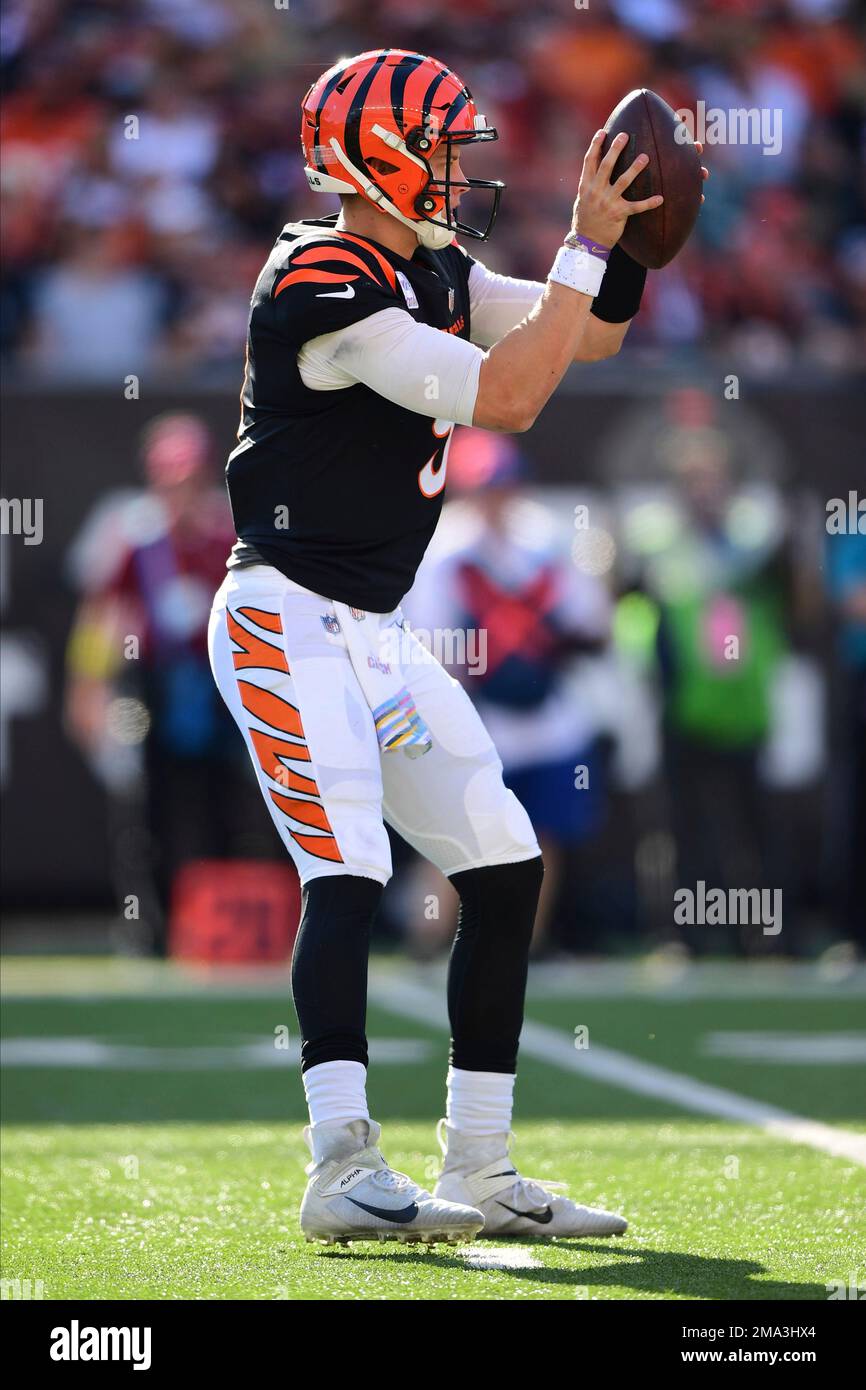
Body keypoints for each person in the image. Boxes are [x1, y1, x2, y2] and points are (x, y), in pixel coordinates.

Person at [208, 48, 708, 1245]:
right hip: (281, 617)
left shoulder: (423, 263)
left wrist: (621, 247)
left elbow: (570, 337)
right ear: (375, 152)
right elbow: (510, 397)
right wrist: (587, 252)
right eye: (436, 145)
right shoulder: (317, 279)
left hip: (370, 632)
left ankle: (478, 1166)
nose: (454, 170)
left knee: (501, 863)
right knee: (346, 869)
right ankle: (340, 1163)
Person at [405, 427, 612, 958]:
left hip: (544, 711)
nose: (498, 499)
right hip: (475, 711)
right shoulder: (443, 551)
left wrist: (538, 639)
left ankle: (529, 941)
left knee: (545, 831)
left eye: (506, 486)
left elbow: (589, 619)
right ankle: (432, 938)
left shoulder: (546, 541)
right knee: (457, 827)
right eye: (486, 488)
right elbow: (430, 639)